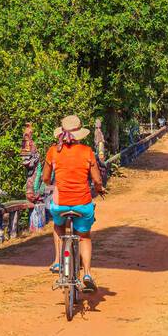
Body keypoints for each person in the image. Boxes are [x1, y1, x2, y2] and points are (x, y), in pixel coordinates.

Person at [42, 114, 104, 292]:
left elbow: (45, 178)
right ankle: (87, 273)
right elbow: (97, 180)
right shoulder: (87, 152)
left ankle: (57, 261)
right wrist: (99, 189)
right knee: (84, 237)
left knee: (58, 226)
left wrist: (52, 182)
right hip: (82, 202)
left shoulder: (53, 151)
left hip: (60, 204)